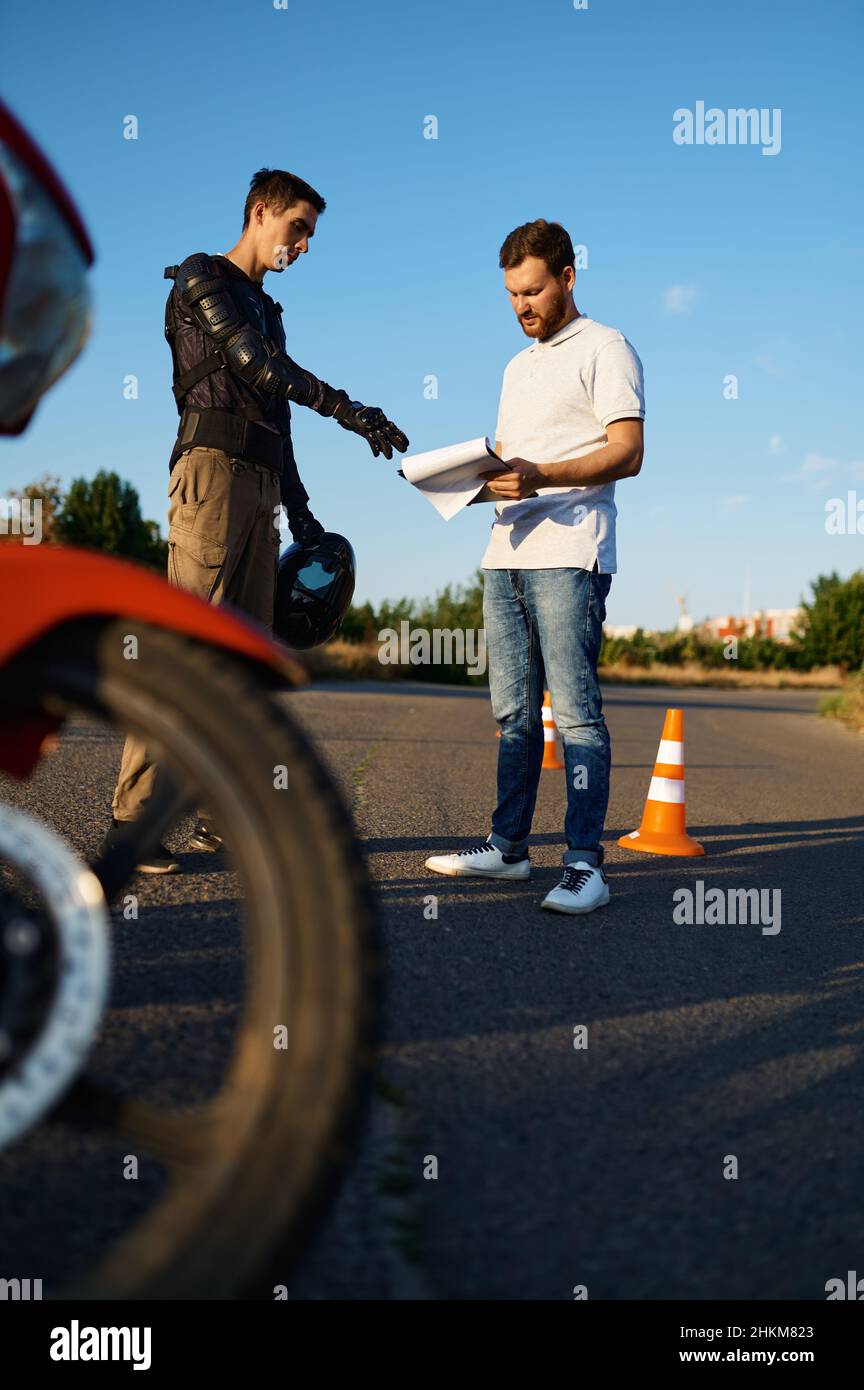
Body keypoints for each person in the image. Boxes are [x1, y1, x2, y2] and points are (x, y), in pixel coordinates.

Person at [103, 168, 409, 872]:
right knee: (184, 649)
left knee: (244, 660)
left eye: (310, 234)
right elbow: (255, 365)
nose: (303, 244)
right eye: (298, 227)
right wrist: (349, 408)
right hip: (210, 474)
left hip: (264, 483)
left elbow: (276, 415)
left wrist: (300, 512)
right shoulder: (200, 276)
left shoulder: (270, 310)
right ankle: (133, 821)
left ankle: (216, 817)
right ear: (261, 211)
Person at [425, 218, 644, 914]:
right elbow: (515, 465)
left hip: (570, 554)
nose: (522, 305)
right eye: (512, 294)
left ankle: (584, 865)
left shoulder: (606, 347)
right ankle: (508, 849)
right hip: (504, 554)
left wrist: (541, 475)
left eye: (534, 290)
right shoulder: (516, 367)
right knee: (512, 714)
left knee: (576, 716)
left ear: (568, 278)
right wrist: (475, 481)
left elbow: (628, 451)